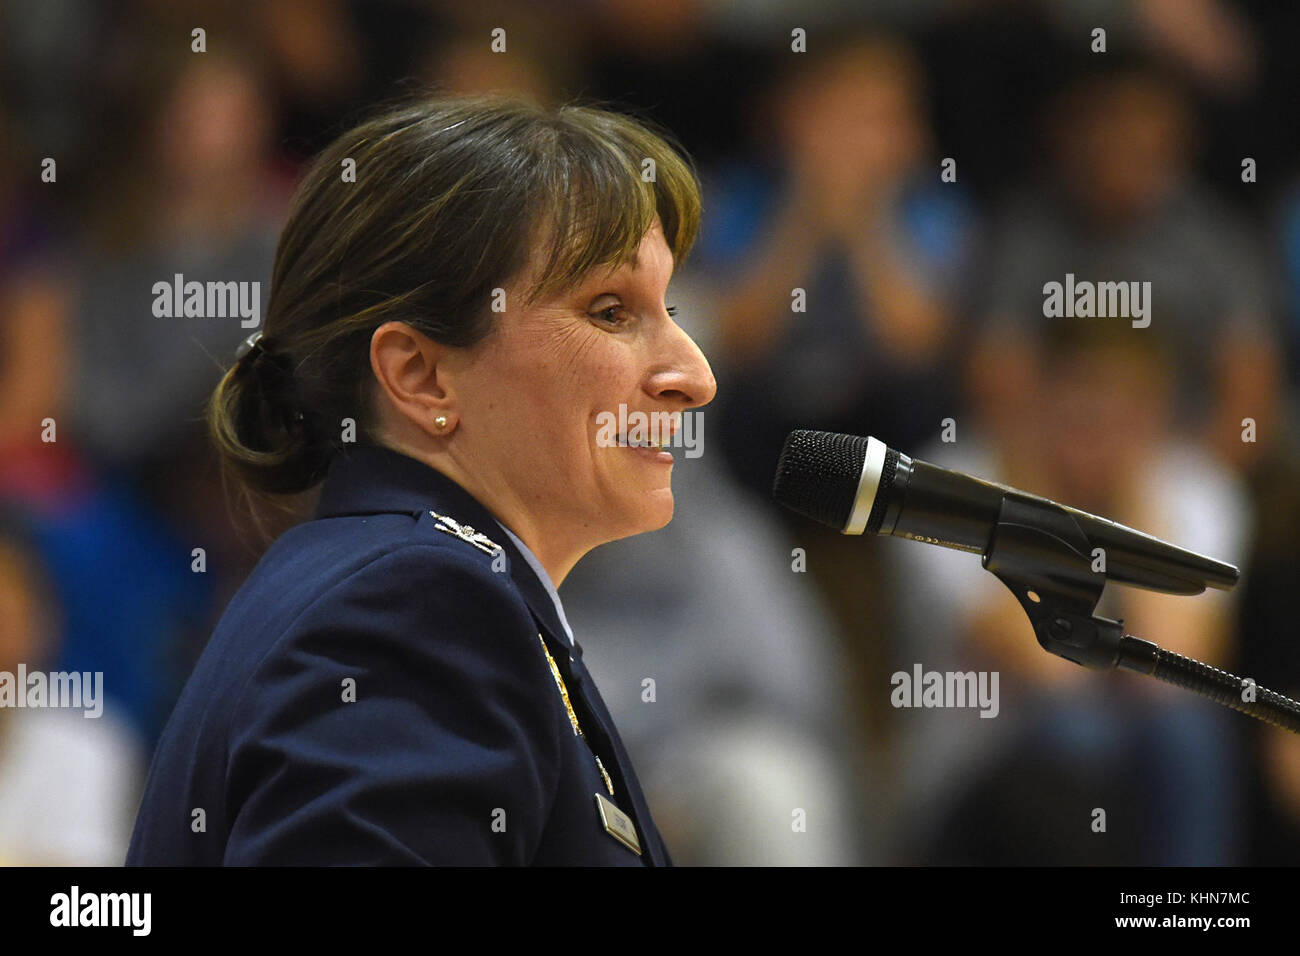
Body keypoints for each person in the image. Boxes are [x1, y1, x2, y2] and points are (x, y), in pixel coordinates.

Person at [126, 93, 715, 866]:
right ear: (420, 377)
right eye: (610, 310)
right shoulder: (420, 609)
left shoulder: (407, 584)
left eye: (667, 306)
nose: (693, 375)